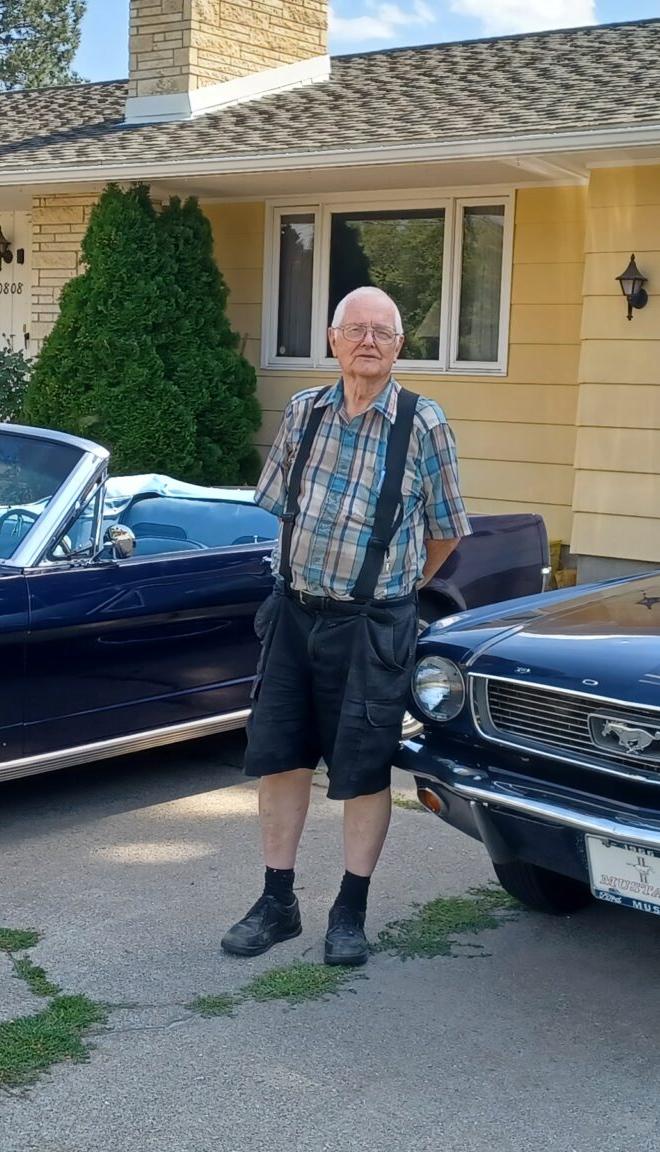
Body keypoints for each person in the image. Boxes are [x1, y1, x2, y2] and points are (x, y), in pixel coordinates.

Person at [221, 286, 471, 967]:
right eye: (355, 329)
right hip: (294, 612)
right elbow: (278, 506)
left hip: (373, 625)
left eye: (382, 332)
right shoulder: (304, 412)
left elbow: (446, 532)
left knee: (361, 771)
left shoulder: (424, 426)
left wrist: (396, 584)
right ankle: (278, 902)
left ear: (398, 347)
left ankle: (349, 912)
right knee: (281, 758)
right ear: (333, 341)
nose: (368, 341)